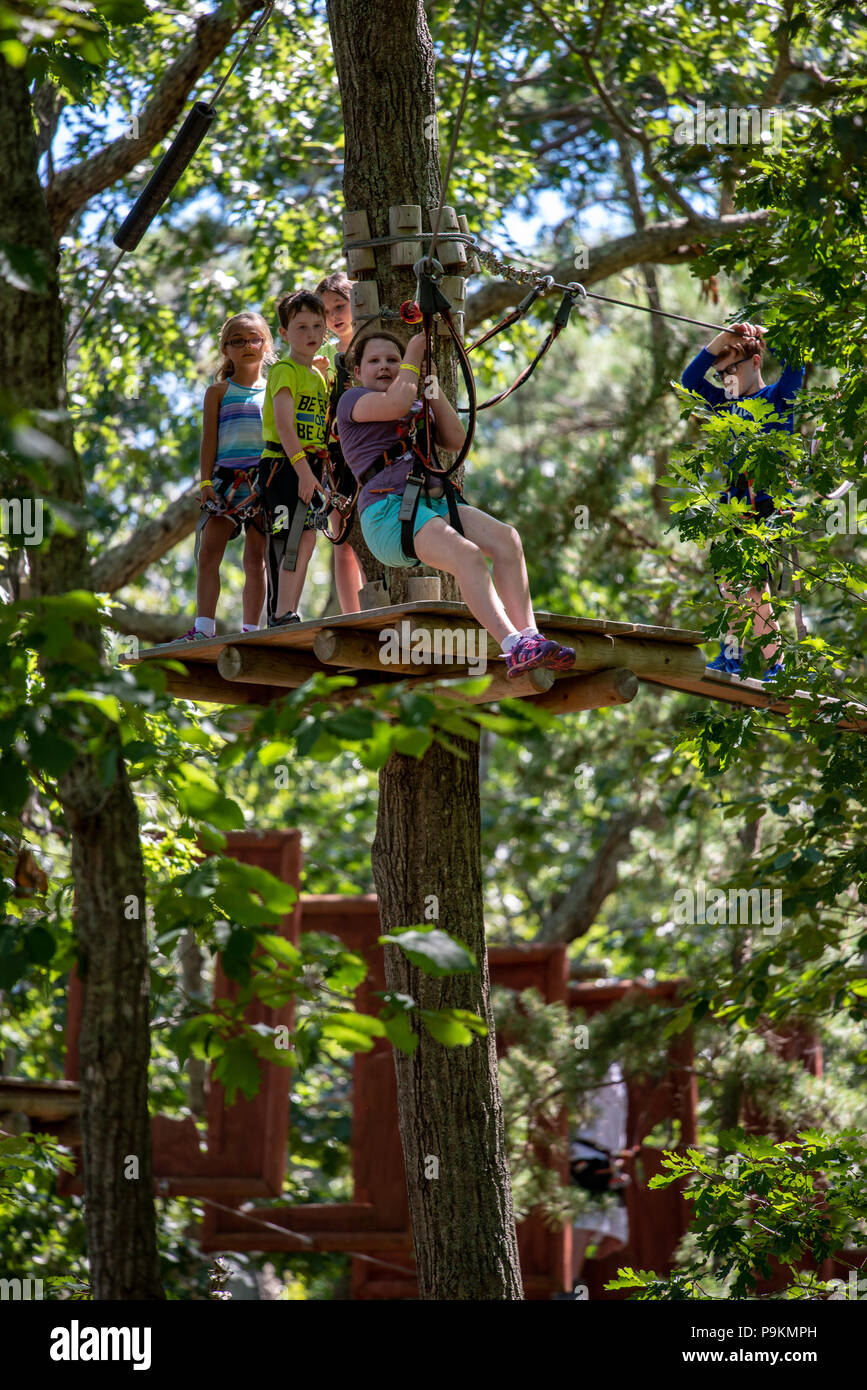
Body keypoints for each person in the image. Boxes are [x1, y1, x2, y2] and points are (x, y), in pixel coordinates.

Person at [336, 331, 576, 676]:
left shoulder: (413, 401)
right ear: (357, 372)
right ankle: (512, 646)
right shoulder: (353, 401)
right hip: (388, 514)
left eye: (393, 359)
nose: (385, 367)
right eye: (374, 361)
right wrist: (414, 350)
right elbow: (395, 405)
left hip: (430, 503)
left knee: (507, 539)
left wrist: (431, 388)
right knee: (468, 555)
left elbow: (455, 440)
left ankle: (530, 638)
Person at [681, 322, 804, 680]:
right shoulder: (724, 405)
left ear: (755, 362)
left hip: (767, 503)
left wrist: (771, 334)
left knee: (751, 589)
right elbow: (690, 381)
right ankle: (731, 657)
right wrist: (720, 342)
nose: (725, 380)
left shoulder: (778, 398)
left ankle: (777, 665)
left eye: (731, 370)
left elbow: (796, 366)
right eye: (720, 375)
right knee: (732, 588)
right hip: (735, 505)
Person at [184, 311, 273, 641]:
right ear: (226, 349)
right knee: (209, 552)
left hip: (263, 482)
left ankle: (252, 629)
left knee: (256, 559)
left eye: (254, 339)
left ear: (266, 345)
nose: (247, 346)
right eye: (238, 341)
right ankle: (204, 628)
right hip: (224, 482)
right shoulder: (218, 392)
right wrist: (206, 482)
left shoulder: (275, 388)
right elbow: (209, 439)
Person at [259, 290, 330, 627]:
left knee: (307, 536)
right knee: (283, 534)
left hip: (311, 466)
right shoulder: (284, 371)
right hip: (283, 466)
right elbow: (285, 427)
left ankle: (290, 610)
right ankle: (277, 613)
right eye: (301, 327)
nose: (311, 334)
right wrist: (302, 472)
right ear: (285, 334)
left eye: (318, 326)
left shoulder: (317, 376)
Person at [315, 270, 365, 612]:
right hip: (336, 453)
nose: (333, 316)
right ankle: (352, 614)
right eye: (326, 311)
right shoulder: (326, 359)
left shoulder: (371, 347)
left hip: (367, 448)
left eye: (339, 306)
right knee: (341, 536)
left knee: (370, 532)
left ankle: (377, 604)